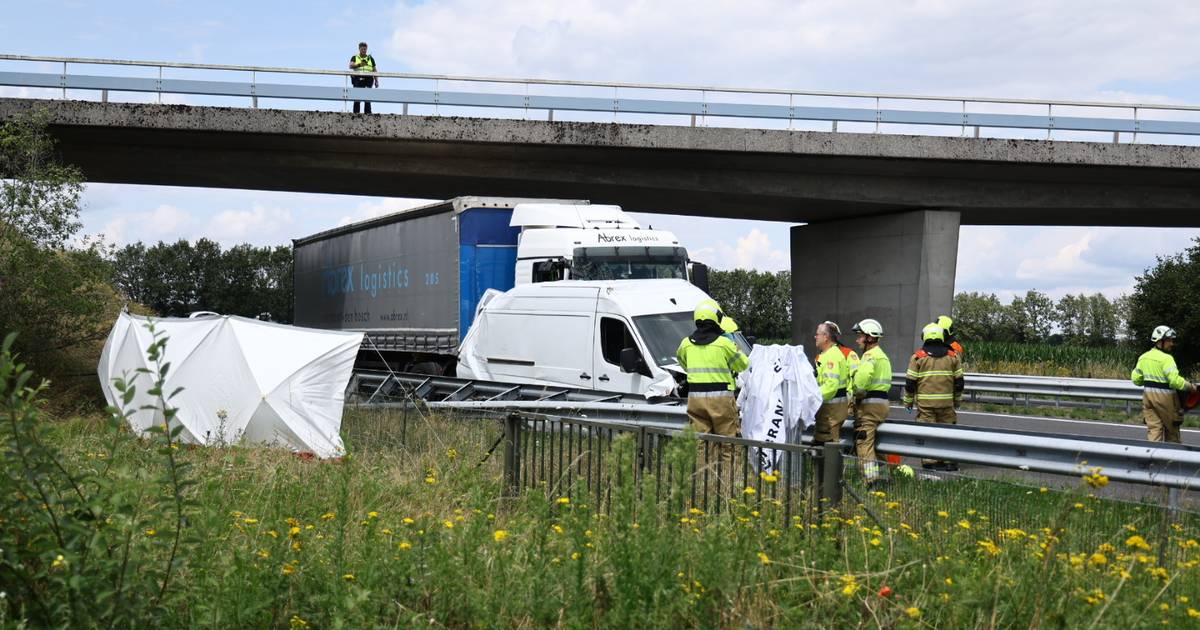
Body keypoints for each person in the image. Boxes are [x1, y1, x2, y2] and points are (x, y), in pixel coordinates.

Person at [677, 301, 750, 451]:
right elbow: (743, 365)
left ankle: (704, 474)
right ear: (716, 320)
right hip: (721, 400)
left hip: (695, 400)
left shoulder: (685, 344)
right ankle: (728, 475)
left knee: (701, 445)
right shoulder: (724, 344)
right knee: (729, 444)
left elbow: (684, 364)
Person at [903, 323, 964, 471]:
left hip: (926, 406)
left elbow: (910, 384)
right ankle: (949, 461)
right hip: (946, 405)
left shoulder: (918, 357)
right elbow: (959, 383)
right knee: (948, 432)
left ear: (925, 336)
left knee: (927, 433)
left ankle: (930, 461)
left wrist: (908, 403)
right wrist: (956, 401)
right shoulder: (953, 356)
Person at [1131, 325, 1196, 443]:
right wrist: (1191, 387)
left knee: (1154, 433)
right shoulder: (1167, 359)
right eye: (1169, 340)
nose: (1172, 343)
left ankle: (1153, 459)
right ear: (1159, 341)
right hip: (1166, 400)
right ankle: (1171, 460)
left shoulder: (1143, 358)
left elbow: (1136, 380)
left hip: (1148, 398)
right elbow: (1175, 381)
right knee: (1172, 435)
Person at [851, 319, 891, 486]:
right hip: (882, 404)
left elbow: (860, 384)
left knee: (864, 443)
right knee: (877, 445)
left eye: (860, 336)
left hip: (869, 406)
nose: (857, 340)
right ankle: (884, 478)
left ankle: (872, 481)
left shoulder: (869, 356)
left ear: (869, 338)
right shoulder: (882, 356)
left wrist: (855, 395)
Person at [812, 321, 851, 445]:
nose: (815, 337)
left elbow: (831, 385)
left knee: (828, 451)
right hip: (828, 412)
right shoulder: (827, 355)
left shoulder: (832, 356)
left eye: (817, 334)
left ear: (826, 337)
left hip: (831, 413)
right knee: (821, 448)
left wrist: (812, 397)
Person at [348, 42, 379, 114]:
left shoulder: (370, 59)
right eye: (362, 49)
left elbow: (374, 70)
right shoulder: (355, 57)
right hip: (357, 78)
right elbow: (350, 66)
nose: (364, 51)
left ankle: (368, 114)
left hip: (368, 79)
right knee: (357, 96)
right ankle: (356, 113)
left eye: (365, 49)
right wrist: (359, 64)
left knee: (367, 97)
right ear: (359, 49)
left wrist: (376, 80)